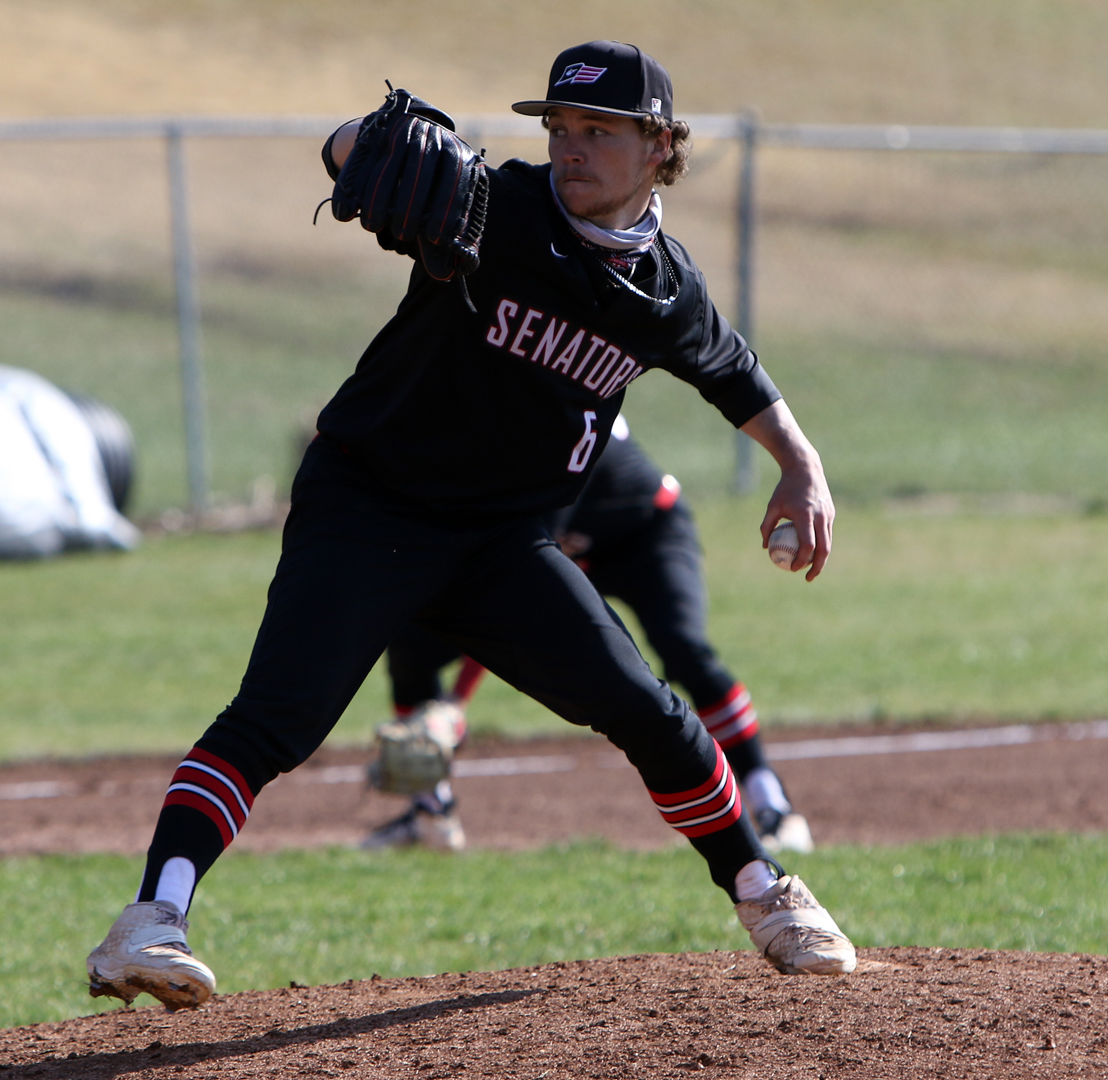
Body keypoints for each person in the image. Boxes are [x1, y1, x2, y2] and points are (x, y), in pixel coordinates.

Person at [85, 40, 855, 1013]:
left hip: (502, 547)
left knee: (649, 710)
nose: (571, 148)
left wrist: (801, 463)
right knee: (276, 720)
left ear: (660, 145)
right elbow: (343, 155)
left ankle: (766, 893)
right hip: (371, 509)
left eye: (599, 131)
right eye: (560, 129)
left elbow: (734, 374)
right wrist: (358, 139)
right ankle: (150, 921)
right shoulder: (500, 209)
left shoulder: (664, 290)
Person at [364, 417, 815, 856]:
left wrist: (456, 703)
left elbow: (520, 578)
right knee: (412, 641)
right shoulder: (492, 437)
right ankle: (430, 812)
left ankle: (774, 806)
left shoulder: (561, 424)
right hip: (569, 552)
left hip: (647, 538)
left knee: (684, 650)